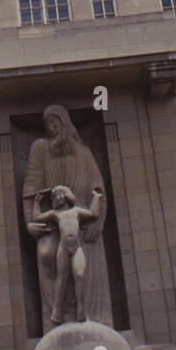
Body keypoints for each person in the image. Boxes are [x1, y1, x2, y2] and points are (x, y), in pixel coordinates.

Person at [23, 104, 110, 330]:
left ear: (65, 123)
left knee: (82, 269)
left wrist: (99, 223)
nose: (52, 128)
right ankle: (56, 318)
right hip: (53, 227)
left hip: (82, 225)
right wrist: (29, 223)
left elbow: (98, 189)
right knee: (46, 253)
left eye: (55, 123)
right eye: (48, 125)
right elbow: (30, 190)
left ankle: (88, 315)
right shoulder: (40, 149)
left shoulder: (84, 152)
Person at [32, 185, 104, 324]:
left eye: (61, 194)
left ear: (67, 195)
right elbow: (37, 217)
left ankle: (81, 308)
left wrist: (96, 198)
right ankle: (57, 309)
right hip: (63, 247)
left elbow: (93, 214)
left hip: (77, 247)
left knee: (79, 274)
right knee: (62, 278)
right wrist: (37, 202)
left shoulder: (76, 211)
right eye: (56, 196)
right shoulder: (55, 214)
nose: (58, 197)